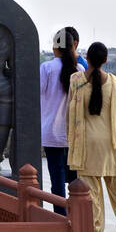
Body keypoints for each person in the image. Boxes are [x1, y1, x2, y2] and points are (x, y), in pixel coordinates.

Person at [67, 41, 116, 232]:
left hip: (85, 145)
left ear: (88, 58)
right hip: (110, 144)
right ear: (106, 60)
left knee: (90, 192)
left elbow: (70, 111)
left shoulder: (76, 80)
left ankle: (93, 230)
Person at [39, 28, 79, 214]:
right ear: (72, 47)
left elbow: (38, 93)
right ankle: (76, 214)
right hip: (73, 132)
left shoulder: (47, 68)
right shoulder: (79, 69)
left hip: (51, 130)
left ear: (55, 47)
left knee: (57, 178)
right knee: (74, 178)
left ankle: (61, 216)